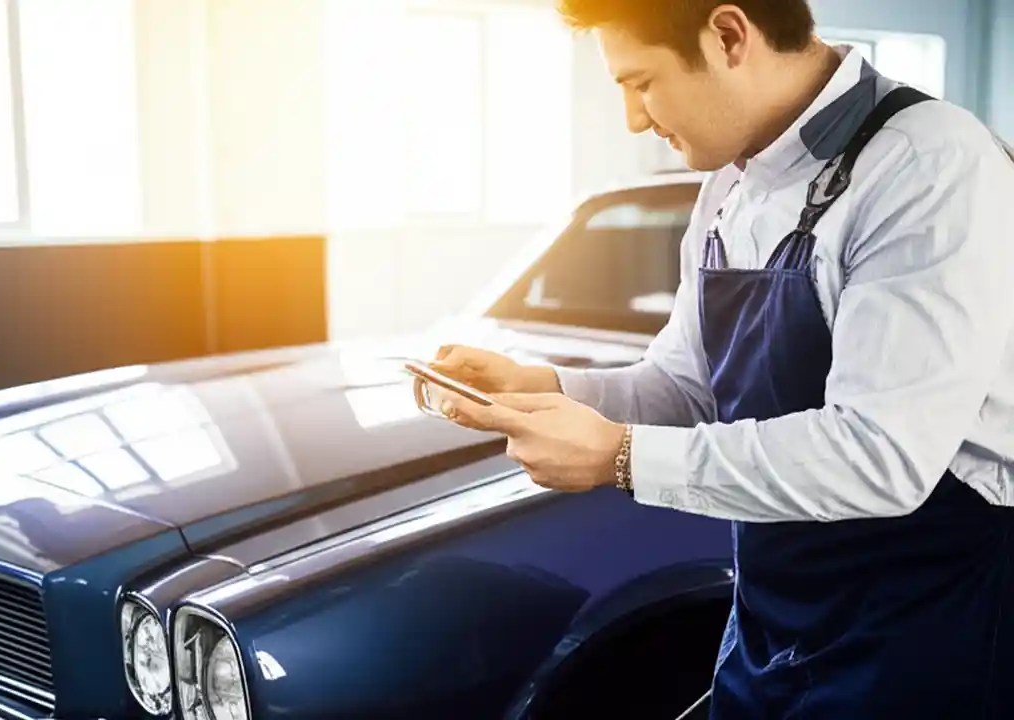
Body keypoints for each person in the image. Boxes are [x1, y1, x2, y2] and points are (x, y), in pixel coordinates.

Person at [428, 1, 1014, 717]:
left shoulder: (928, 166)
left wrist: (621, 457)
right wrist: (550, 386)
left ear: (730, 35)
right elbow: (687, 385)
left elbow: (881, 455)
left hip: (924, 630)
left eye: (641, 82)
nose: (634, 120)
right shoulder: (728, 185)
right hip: (774, 625)